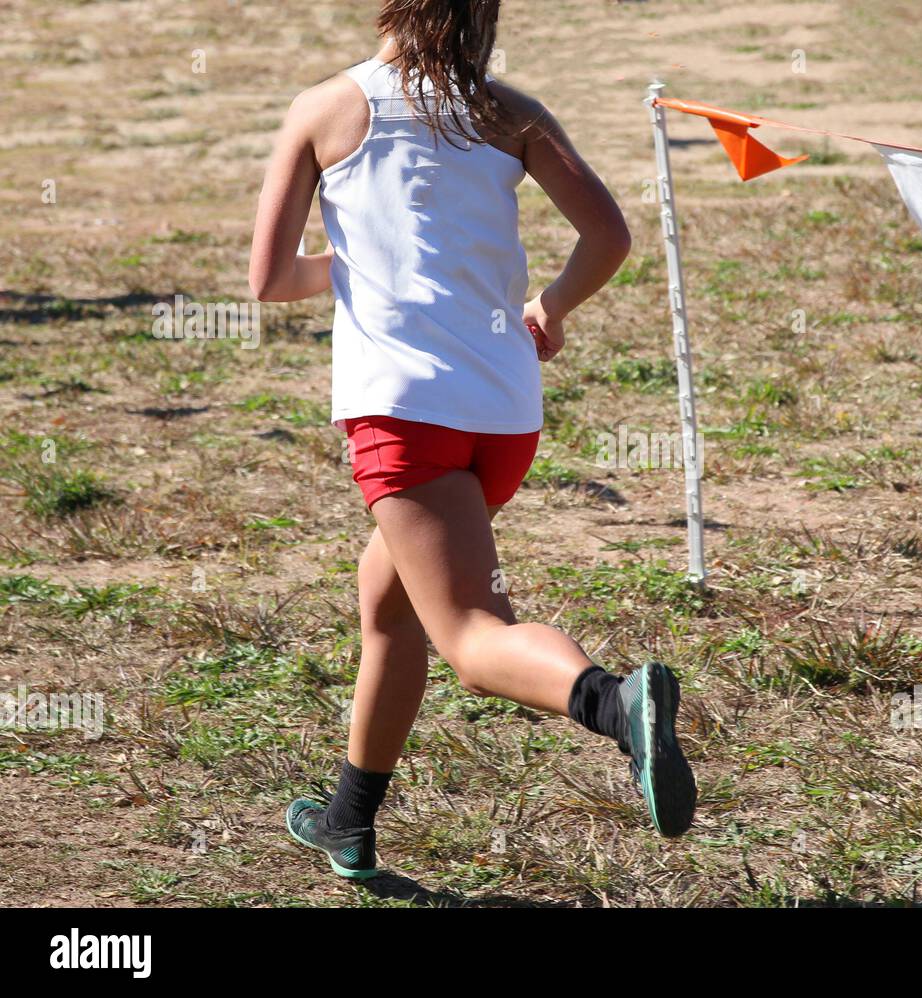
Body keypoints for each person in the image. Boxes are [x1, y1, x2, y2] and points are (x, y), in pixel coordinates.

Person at [248, 0, 696, 881]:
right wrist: (550, 307)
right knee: (388, 604)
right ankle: (347, 819)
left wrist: (353, 260)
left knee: (469, 631)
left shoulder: (322, 107)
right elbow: (607, 234)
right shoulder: (510, 110)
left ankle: (612, 700)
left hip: (402, 416)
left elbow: (266, 278)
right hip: (503, 416)